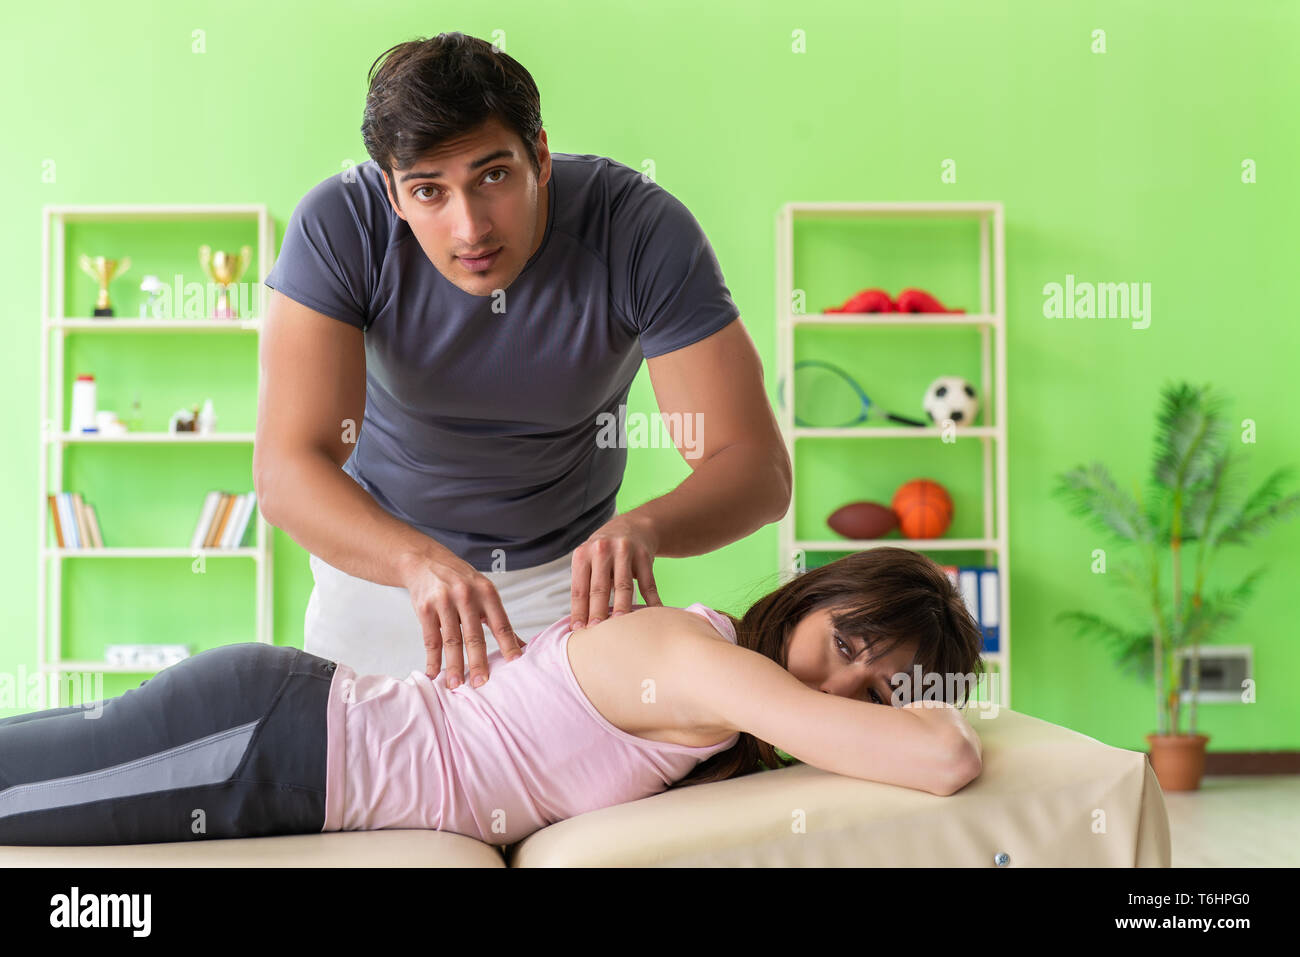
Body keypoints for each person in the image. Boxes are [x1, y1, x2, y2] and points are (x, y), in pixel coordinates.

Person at [255, 31, 791, 689]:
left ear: (539, 156)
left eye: (493, 176)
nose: (471, 228)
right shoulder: (340, 224)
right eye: (428, 192)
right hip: (382, 571)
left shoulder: (639, 229)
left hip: (566, 583)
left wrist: (645, 528)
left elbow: (756, 466)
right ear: (392, 194)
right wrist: (415, 562)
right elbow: (286, 468)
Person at [0, 549, 984, 847]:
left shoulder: (722, 709)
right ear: (808, 599)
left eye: (874, 691)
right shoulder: (703, 660)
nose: (836, 686)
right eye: (845, 644)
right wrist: (925, 709)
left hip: (289, 742)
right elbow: (944, 758)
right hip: (275, 741)